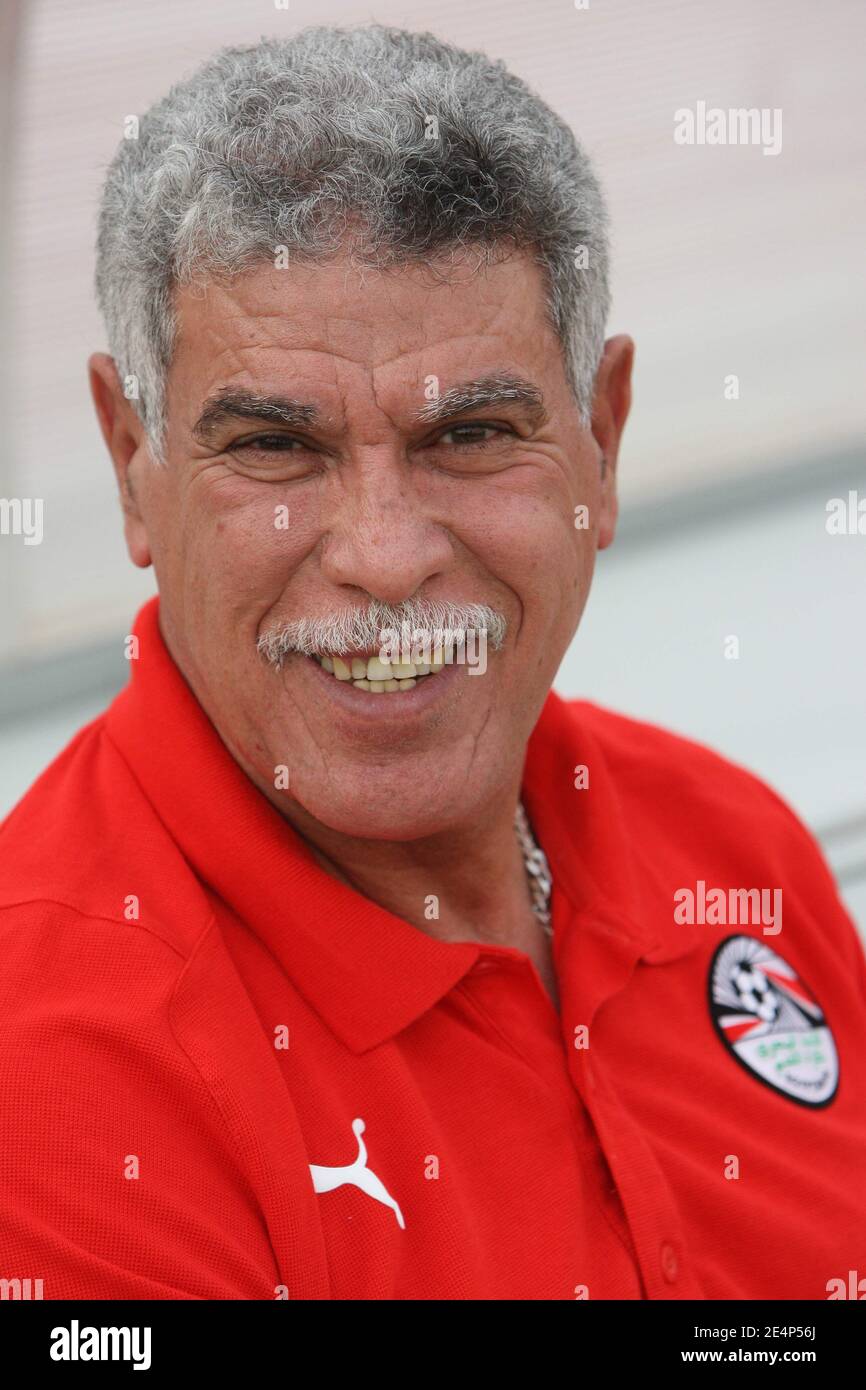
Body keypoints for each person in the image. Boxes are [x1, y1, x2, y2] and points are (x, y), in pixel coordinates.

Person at [1, 23, 864, 1302]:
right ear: (135, 463)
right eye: (275, 449)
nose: (387, 557)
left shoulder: (732, 847)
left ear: (603, 440)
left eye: (469, 432)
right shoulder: (52, 1086)